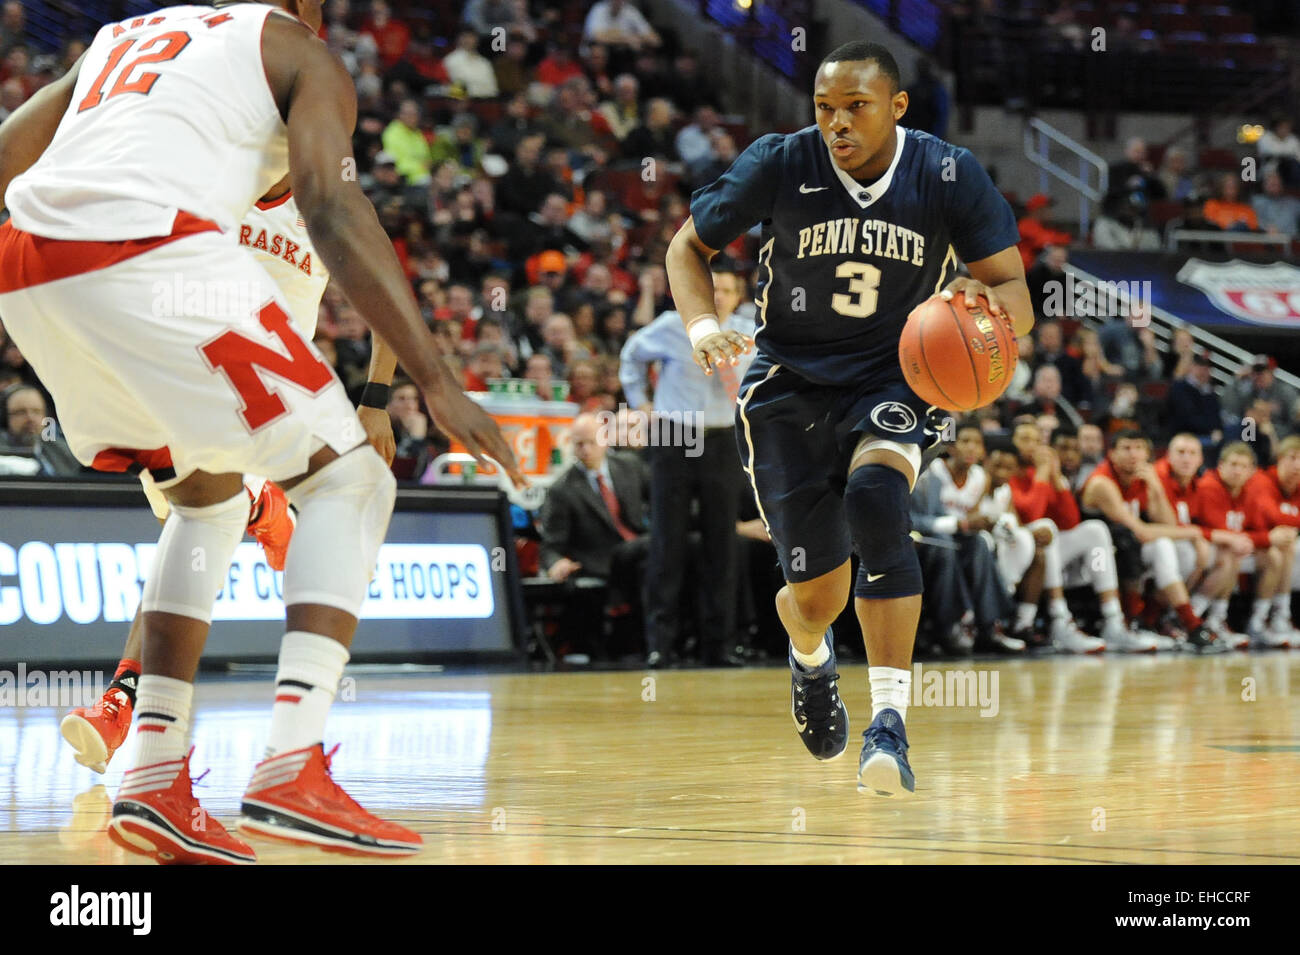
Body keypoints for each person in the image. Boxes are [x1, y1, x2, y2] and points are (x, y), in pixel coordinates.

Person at [0, 0, 521, 863]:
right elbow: (333, 206)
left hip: (32, 268)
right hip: (149, 255)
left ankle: (153, 774)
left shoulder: (125, 38)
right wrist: (437, 384)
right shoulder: (299, 51)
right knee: (355, 481)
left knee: (207, 505)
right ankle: (291, 765)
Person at [666, 41, 1032, 795]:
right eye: (825, 107)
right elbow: (687, 247)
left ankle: (890, 723)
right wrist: (704, 327)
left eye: (855, 107)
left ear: (897, 107)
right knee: (816, 598)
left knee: (877, 496)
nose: (837, 122)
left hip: (892, 377)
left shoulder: (948, 173)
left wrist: (984, 317)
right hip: (787, 386)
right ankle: (809, 652)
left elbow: (1015, 292)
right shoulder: (779, 161)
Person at [59, 176, 408, 773]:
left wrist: (374, 401)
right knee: (197, 532)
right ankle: (262, 507)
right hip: (182, 379)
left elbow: (387, 294)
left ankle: (120, 705)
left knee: (204, 524)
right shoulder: (209, 172)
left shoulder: (326, 200)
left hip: (273, 398)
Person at [620, 261, 757, 667]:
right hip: (674, 434)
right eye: (713, 289)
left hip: (721, 436)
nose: (719, 297)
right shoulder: (672, 323)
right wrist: (639, 402)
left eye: (728, 290)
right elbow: (631, 355)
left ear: (738, 297)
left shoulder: (750, 332)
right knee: (668, 539)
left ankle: (719, 643)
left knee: (723, 542)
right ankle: (661, 643)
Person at [1079, 431, 1219, 650]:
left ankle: (1185, 624)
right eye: (1126, 448)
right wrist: (1194, 532)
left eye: (1138, 448)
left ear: (1147, 454)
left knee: (1166, 546)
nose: (1133, 454)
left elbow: (1169, 525)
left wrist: (1155, 487)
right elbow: (1140, 531)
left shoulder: (1144, 479)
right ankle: (1129, 623)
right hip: (1094, 556)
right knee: (1133, 543)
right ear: (1112, 454)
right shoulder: (1102, 482)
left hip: (1125, 550)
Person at [538, 413, 650, 653]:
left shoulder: (630, 465)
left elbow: (663, 501)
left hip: (640, 550)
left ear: (606, 438)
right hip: (603, 559)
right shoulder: (562, 489)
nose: (586, 449)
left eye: (592, 442)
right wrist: (556, 563)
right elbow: (551, 545)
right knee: (646, 553)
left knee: (681, 548)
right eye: (579, 444)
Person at [1194, 442, 1295, 648]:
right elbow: (1223, 532)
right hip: (1204, 545)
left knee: (1274, 555)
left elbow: (1255, 527)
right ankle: (1193, 618)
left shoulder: (1249, 491)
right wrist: (1267, 538)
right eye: (1233, 464)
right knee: (1232, 553)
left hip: (1230, 547)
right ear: (1220, 465)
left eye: (1243, 466)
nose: (1237, 470)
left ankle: (1258, 621)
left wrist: (1270, 538)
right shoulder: (1209, 486)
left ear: (1251, 471)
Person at [1155, 434, 1251, 648]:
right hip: (1153, 544)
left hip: (1178, 543)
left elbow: (1201, 526)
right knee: (1186, 552)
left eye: (1192, 454)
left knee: (1229, 552)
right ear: (1168, 456)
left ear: (1200, 460)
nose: (1186, 459)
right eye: (1181, 453)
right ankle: (1175, 620)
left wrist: (1198, 535)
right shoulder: (1159, 477)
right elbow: (1169, 526)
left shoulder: (1194, 484)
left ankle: (1197, 618)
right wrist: (1197, 535)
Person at [0, 384, 82, 475]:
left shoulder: (63, 451)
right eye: (21, 412)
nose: (30, 418)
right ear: (5, 418)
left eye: (36, 411)